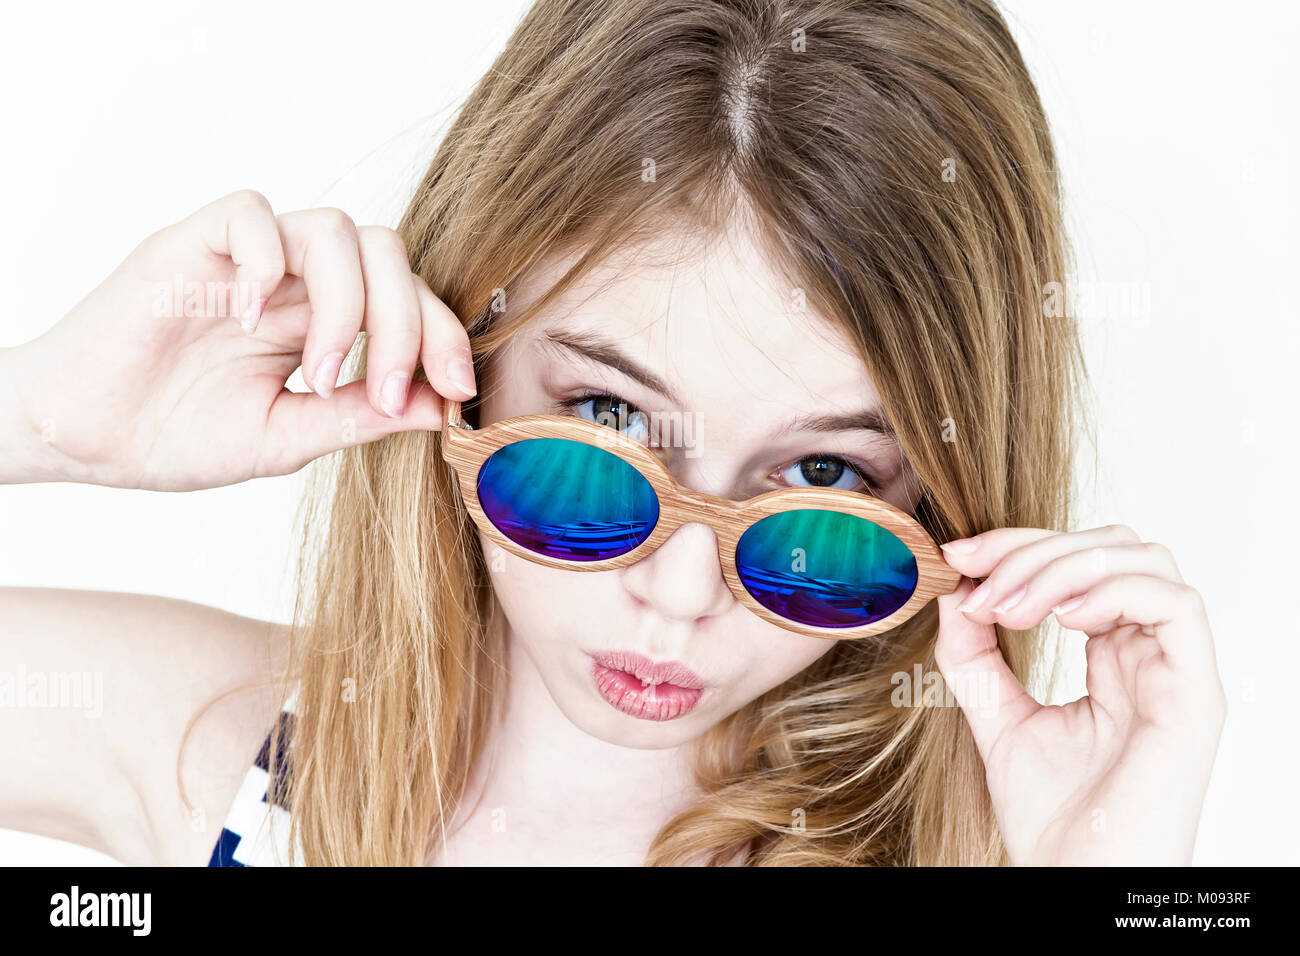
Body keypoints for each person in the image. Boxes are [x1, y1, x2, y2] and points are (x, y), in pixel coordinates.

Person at [0, 0, 1225, 866]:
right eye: (605, 423)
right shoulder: (224, 746)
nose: (682, 590)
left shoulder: (992, 849)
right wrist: (49, 417)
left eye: (820, 476)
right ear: (458, 365)